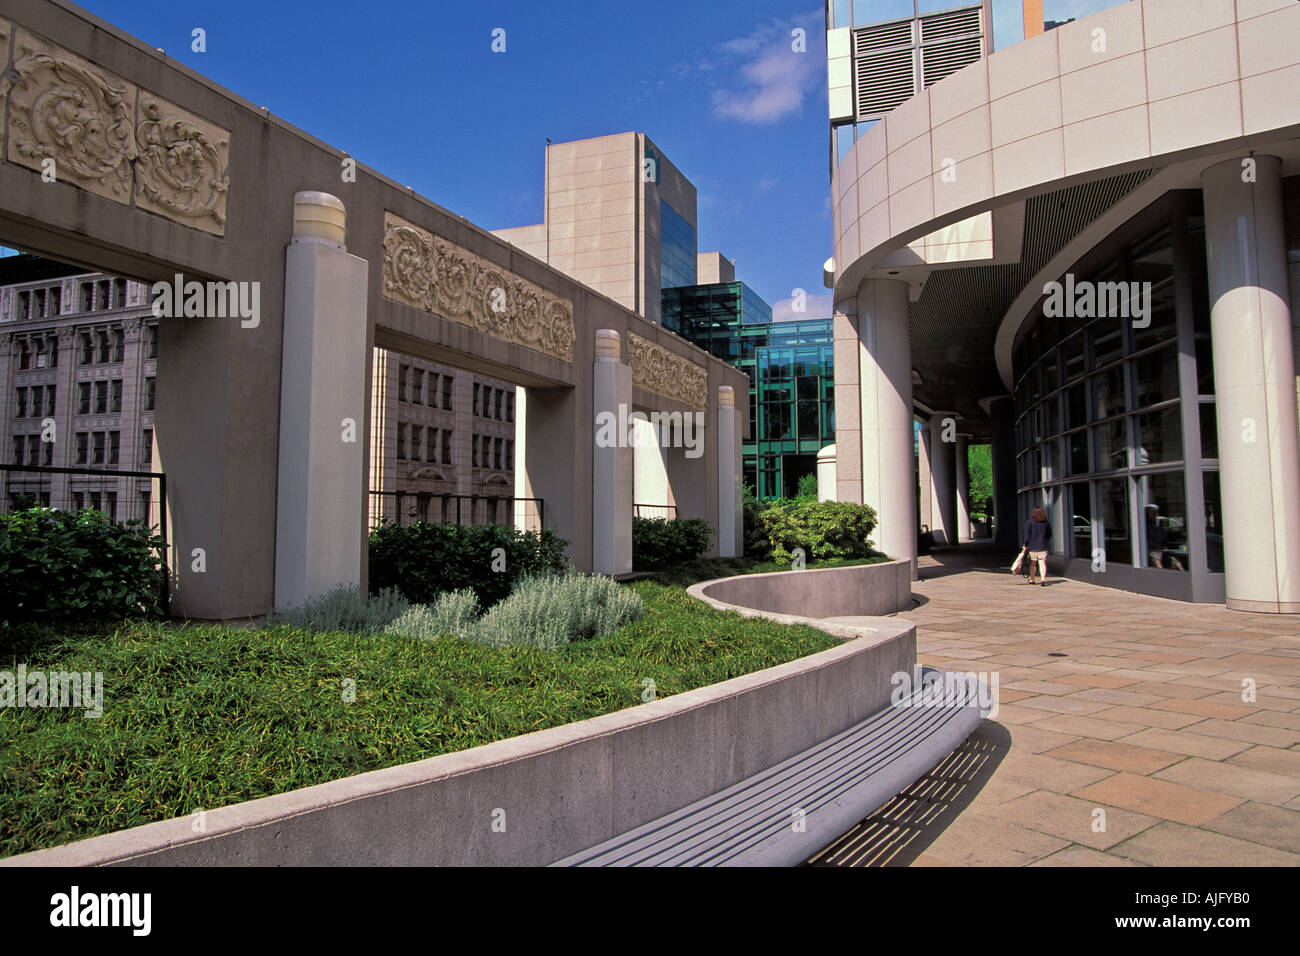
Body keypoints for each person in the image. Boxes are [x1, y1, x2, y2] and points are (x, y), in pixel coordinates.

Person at [1023, 506, 1052, 586]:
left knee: (1033, 563)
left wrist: (1025, 544)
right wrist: (1045, 540)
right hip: (1043, 545)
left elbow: (1027, 535)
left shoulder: (1030, 522)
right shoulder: (1046, 522)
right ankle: (1043, 579)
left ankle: (1032, 579)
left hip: (1032, 546)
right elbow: (1049, 534)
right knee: (1042, 562)